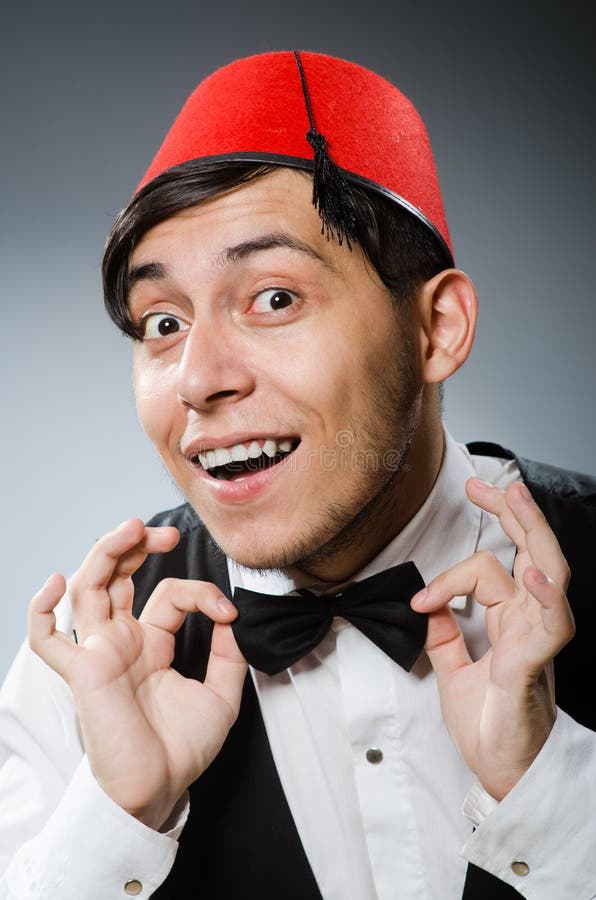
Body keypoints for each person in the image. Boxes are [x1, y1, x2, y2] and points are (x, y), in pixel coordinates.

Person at [1, 49, 595, 900]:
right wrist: (119, 808)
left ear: (436, 329)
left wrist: (551, 792)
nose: (200, 377)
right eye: (162, 321)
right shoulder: (84, 663)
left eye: (274, 298)